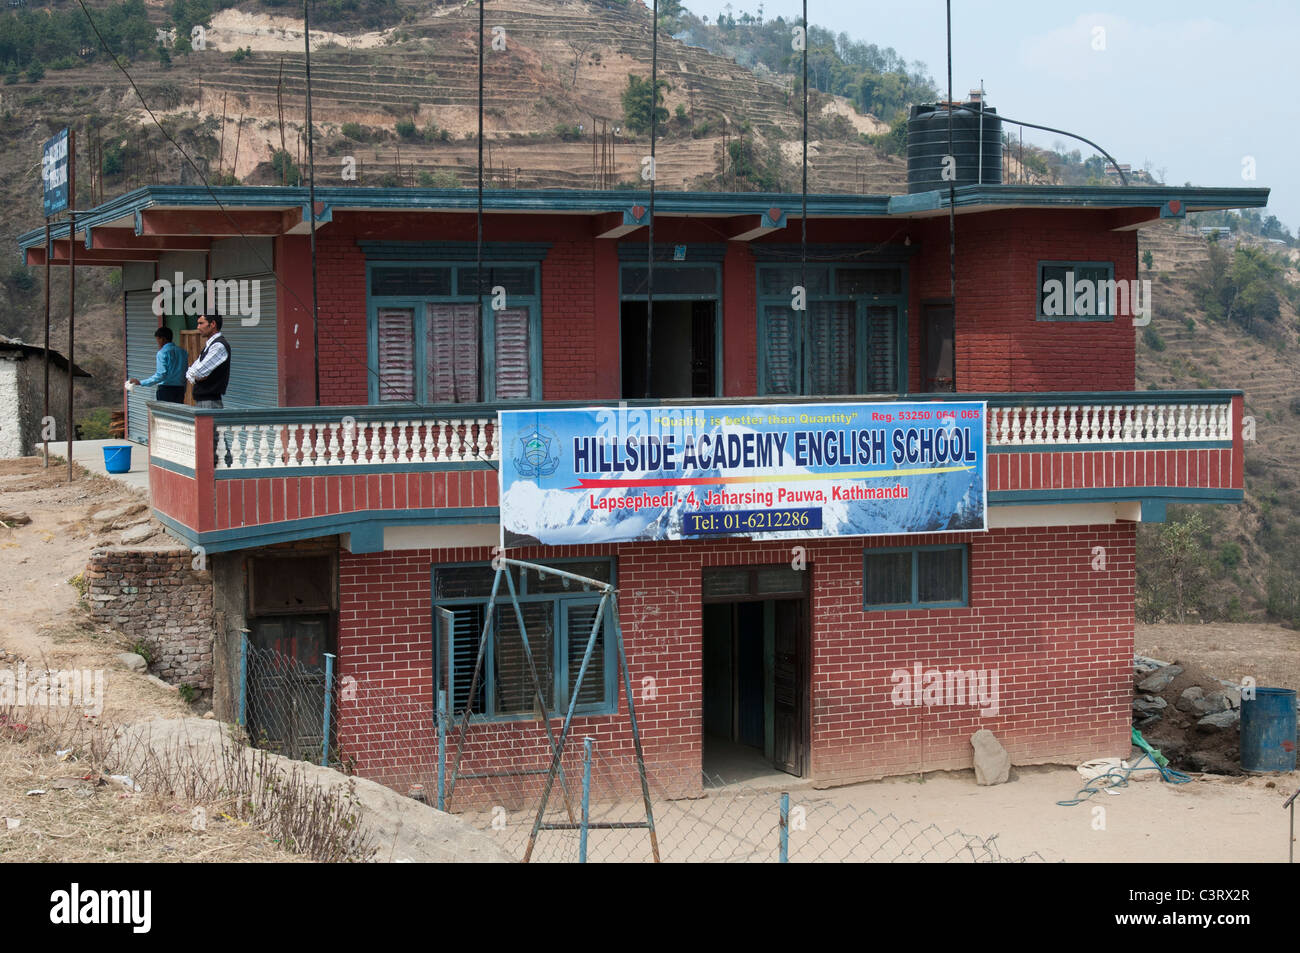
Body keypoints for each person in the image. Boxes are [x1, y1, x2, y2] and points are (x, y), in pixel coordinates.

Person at [128, 327, 188, 403]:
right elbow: (185, 372)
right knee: (177, 414)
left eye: (158, 339)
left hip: (166, 391)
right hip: (179, 390)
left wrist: (141, 382)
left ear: (162, 339)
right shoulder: (183, 352)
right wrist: (183, 389)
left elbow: (161, 375)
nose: (157, 342)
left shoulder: (162, 353)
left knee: (164, 414)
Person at [186, 314, 231, 409]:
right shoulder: (210, 346)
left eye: (201, 323)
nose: (198, 327)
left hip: (210, 403)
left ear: (213, 324)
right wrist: (197, 375)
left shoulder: (218, 346)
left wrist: (197, 375)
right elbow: (192, 373)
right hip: (203, 401)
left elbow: (198, 372)